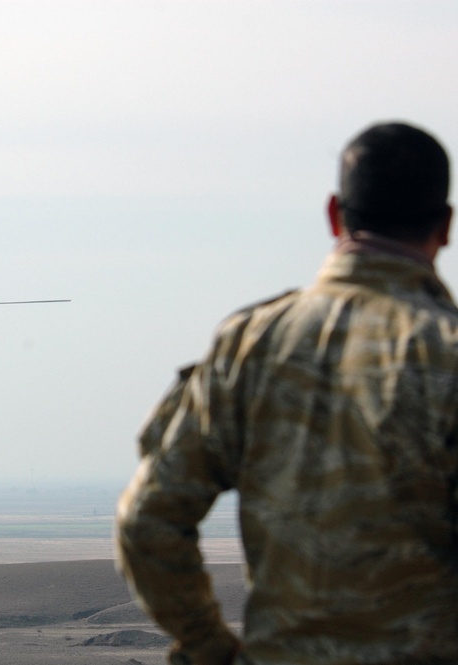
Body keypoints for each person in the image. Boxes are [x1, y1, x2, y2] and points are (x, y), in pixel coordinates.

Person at [114, 122, 458, 665]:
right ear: (445, 226)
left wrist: (209, 646)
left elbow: (147, 520)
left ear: (334, 215)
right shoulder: (445, 351)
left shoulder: (250, 345)